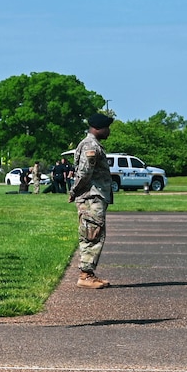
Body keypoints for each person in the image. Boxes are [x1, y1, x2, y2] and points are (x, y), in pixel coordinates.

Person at [70, 112, 115, 289]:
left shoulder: (93, 144)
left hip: (94, 196)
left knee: (94, 233)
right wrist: (74, 191)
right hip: (91, 197)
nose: (108, 131)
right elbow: (84, 173)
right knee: (92, 234)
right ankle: (85, 275)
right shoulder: (90, 145)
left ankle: (89, 273)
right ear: (97, 128)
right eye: (106, 127)